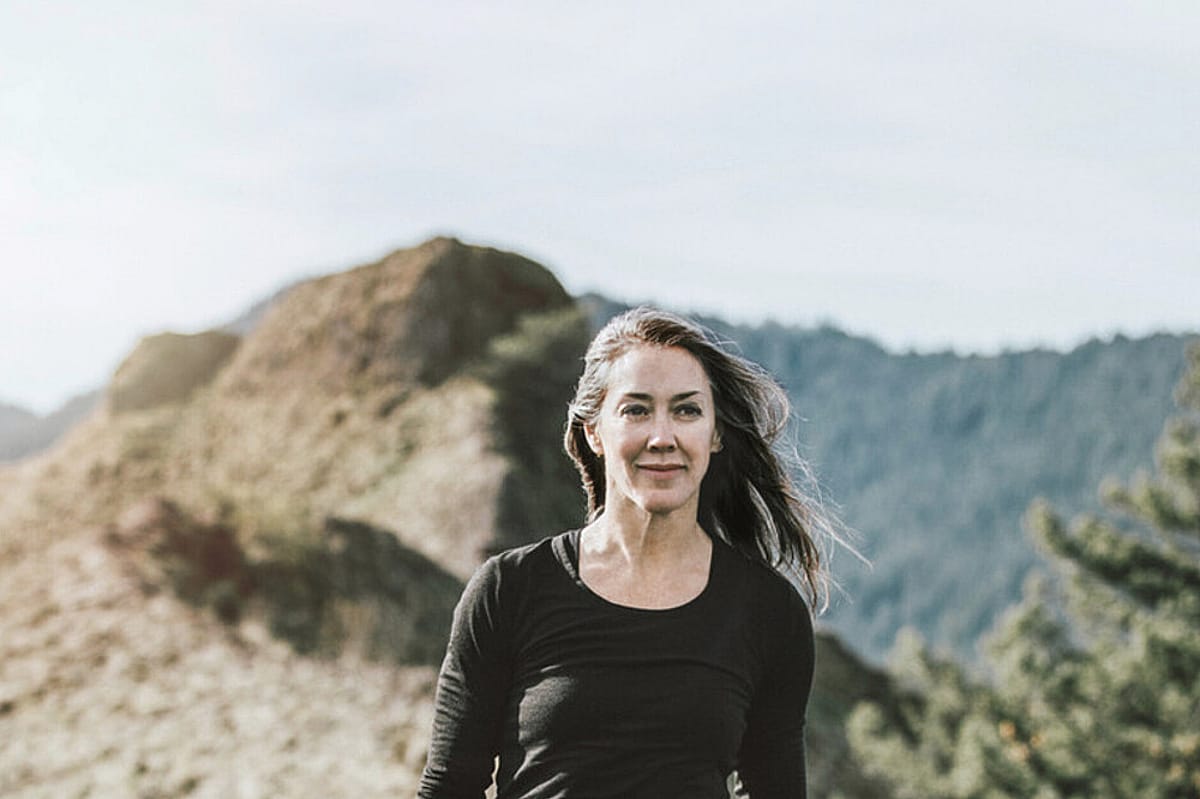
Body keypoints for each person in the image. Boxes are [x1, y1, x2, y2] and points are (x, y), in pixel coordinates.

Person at [419, 306, 834, 798]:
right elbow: (448, 789)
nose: (663, 437)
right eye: (636, 409)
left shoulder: (768, 611)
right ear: (595, 431)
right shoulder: (509, 590)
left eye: (687, 410)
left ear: (715, 433)